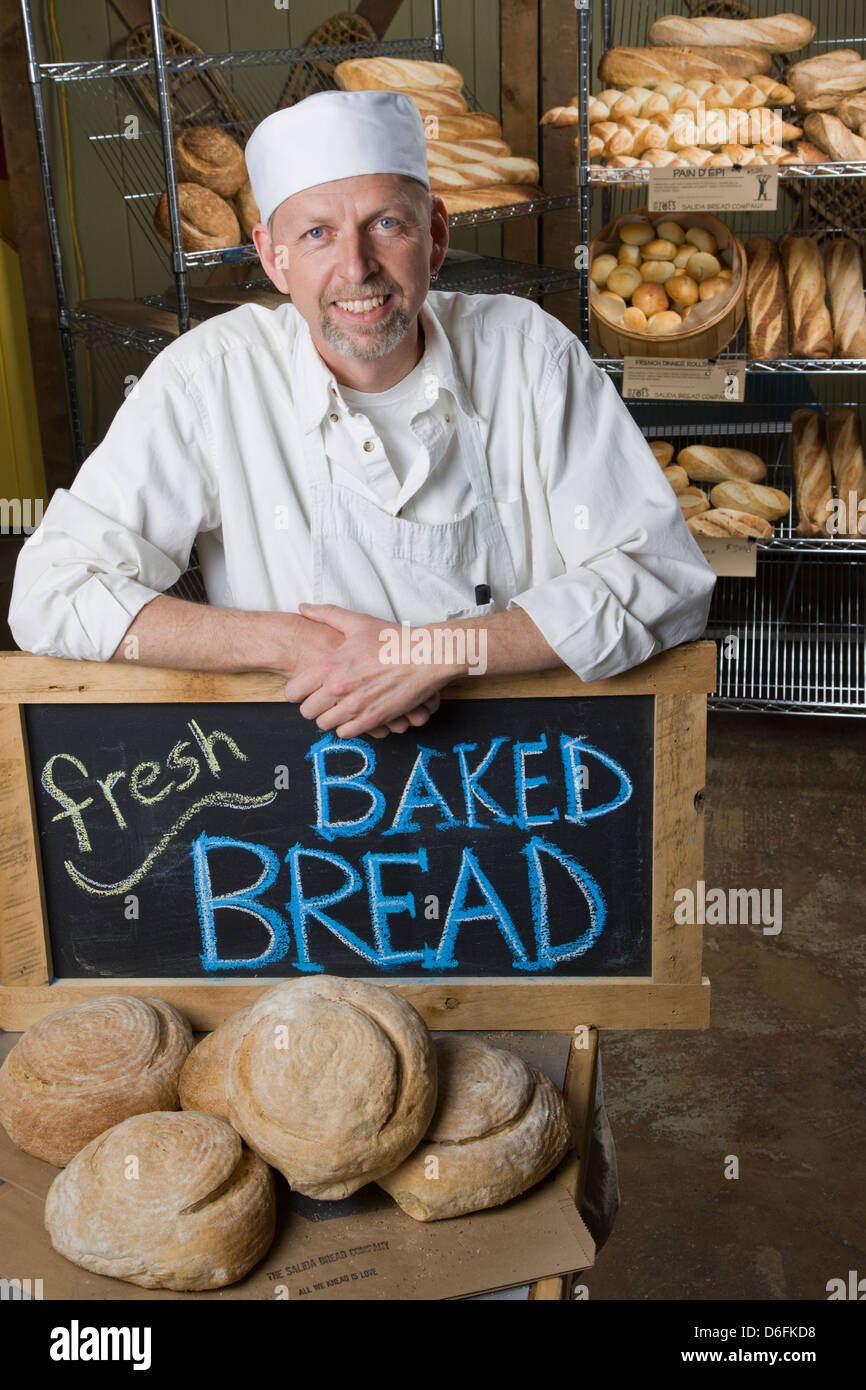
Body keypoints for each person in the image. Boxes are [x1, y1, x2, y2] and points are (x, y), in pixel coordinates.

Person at [9, 90, 715, 1250]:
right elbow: (54, 590)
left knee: (505, 1171)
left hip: (507, 868)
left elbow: (663, 572)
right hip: (286, 875)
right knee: (305, 1175)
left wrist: (435, 651)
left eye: (387, 226)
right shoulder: (207, 381)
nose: (360, 269)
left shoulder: (528, 354)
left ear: (436, 234)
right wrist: (294, 642)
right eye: (319, 235)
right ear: (270, 257)